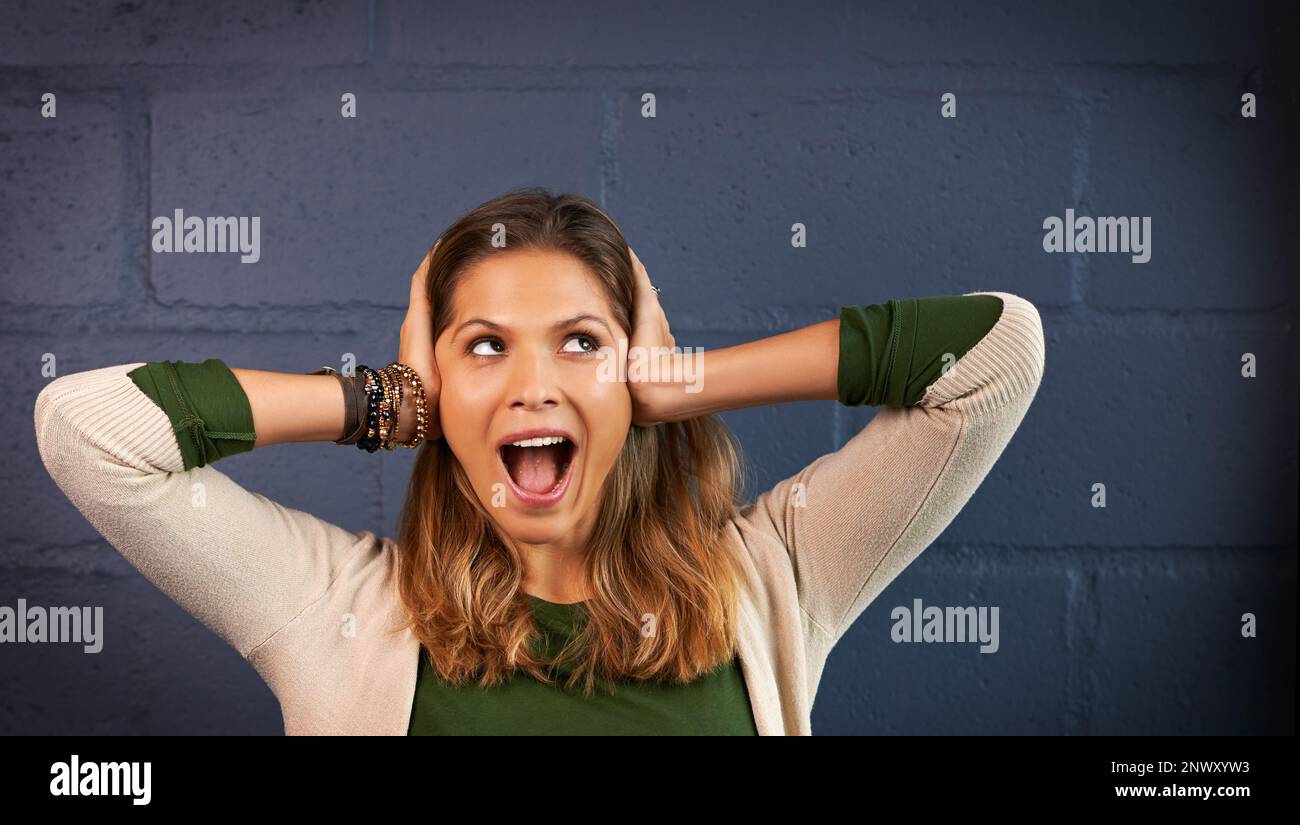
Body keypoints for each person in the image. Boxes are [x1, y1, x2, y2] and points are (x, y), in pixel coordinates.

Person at [33, 188, 1045, 734]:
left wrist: (680, 382)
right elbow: (87, 428)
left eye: (578, 343)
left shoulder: (775, 577)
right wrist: (384, 402)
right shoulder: (328, 610)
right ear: (434, 391)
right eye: (484, 346)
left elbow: (996, 353)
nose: (532, 385)